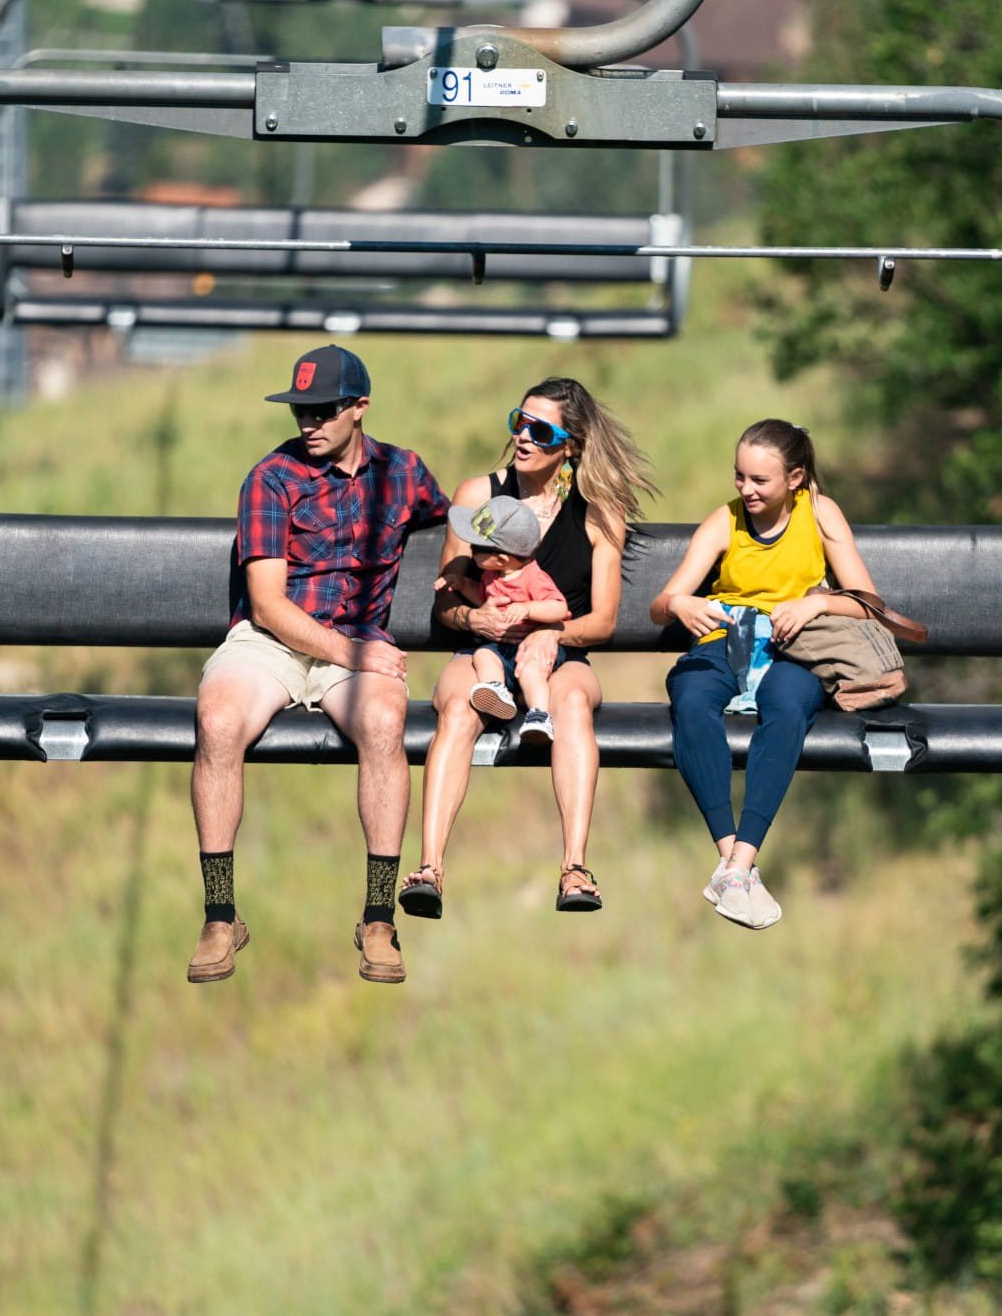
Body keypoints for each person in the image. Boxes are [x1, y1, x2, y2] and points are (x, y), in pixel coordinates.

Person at [189, 344, 448, 987]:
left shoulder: (404, 473)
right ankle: (220, 914)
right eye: (299, 408)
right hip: (276, 643)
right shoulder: (271, 479)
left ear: (359, 408)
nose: (307, 422)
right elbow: (269, 605)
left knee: (386, 720)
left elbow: (464, 520)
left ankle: (378, 918)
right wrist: (354, 653)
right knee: (218, 718)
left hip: (354, 644)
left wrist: (532, 531)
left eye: (322, 409)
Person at [402, 377, 656, 916]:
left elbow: (603, 621)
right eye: (519, 421)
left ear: (570, 446)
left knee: (570, 705)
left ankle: (575, 867)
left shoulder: (597, 512)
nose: (522, 437)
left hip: (562, 649)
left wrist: (549, 633)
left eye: (540, 430)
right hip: (485, 649)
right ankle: (429, 867)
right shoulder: (479, 496)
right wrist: (479, 618)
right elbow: (447, 603)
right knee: (458, 704)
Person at [647, 419, 880, 930]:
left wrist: (814, 606)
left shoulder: (819, 514)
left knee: (787, 705)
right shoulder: (724, 522)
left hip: (793, 645)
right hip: (724, 641)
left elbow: (868, 603)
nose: (746, 490)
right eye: (739, 477)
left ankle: (739, 859)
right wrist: (681, 604)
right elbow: (662, 603)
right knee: (691, 703)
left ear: (794, 478)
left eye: (759, 481)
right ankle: (735, 864)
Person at [444, 494, 573, 743]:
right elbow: (482, 598)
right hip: (501, 647)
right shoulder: (492, 575)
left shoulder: (533, 577)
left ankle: (539, 714)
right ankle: (496, 689)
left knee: (530, 671)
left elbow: (559, 608)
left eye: (475, 547)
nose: (469, 551)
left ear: (502, 558)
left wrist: (528, 608)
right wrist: (461, 584)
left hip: (532, 648)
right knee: (483, 655)